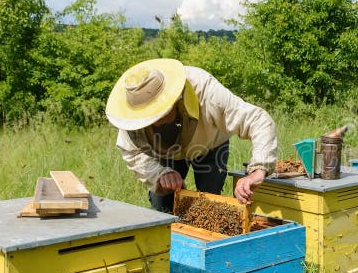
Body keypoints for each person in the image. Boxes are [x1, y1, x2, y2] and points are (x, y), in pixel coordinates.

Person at [105, 58, 277, 212]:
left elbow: (257, 120)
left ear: (177, 98)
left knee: (210, 203)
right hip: (165, 153)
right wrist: (159, 174)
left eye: (158, 114)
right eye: (148, 118)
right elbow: (132, 152)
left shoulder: (205, 90)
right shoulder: (132, 113)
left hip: (210, 146)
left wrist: (259, 168)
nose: (155, 123)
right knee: (162, 206)